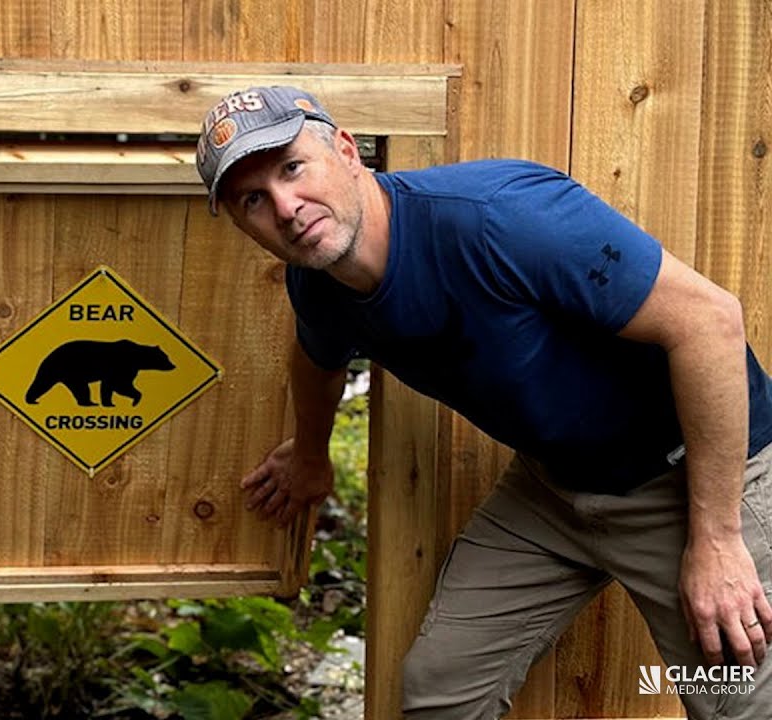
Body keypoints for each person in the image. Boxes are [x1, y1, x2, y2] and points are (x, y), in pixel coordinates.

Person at [195, 86, 772, 719]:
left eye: (292, 168)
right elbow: (316, 359)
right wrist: (309, 454)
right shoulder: (320, 285)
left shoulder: (498, 218)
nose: (285, 207)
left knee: (737, 703)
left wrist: (716, 540)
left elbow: (710, 322)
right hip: (554, 490)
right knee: (441, 693)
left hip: (692, 479)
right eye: (254, 198)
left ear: (346, 150)